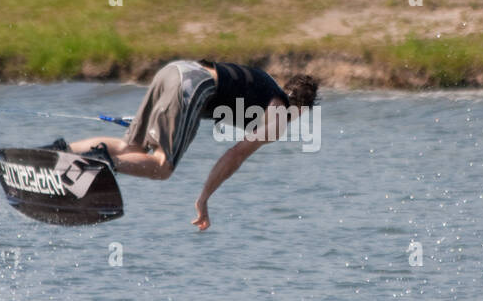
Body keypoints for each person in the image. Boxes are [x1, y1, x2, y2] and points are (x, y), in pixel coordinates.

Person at [50, 60, 318, 231]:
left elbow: (227, 90)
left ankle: (58, 152)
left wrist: (165, 115)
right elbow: (235, 155)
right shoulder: (280, 114)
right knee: (162, 166)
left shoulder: (267, 85)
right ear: (302, 110)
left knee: (131, 147)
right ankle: (94, 164)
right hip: (194, 86)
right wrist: (204, 199)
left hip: (173, 71)